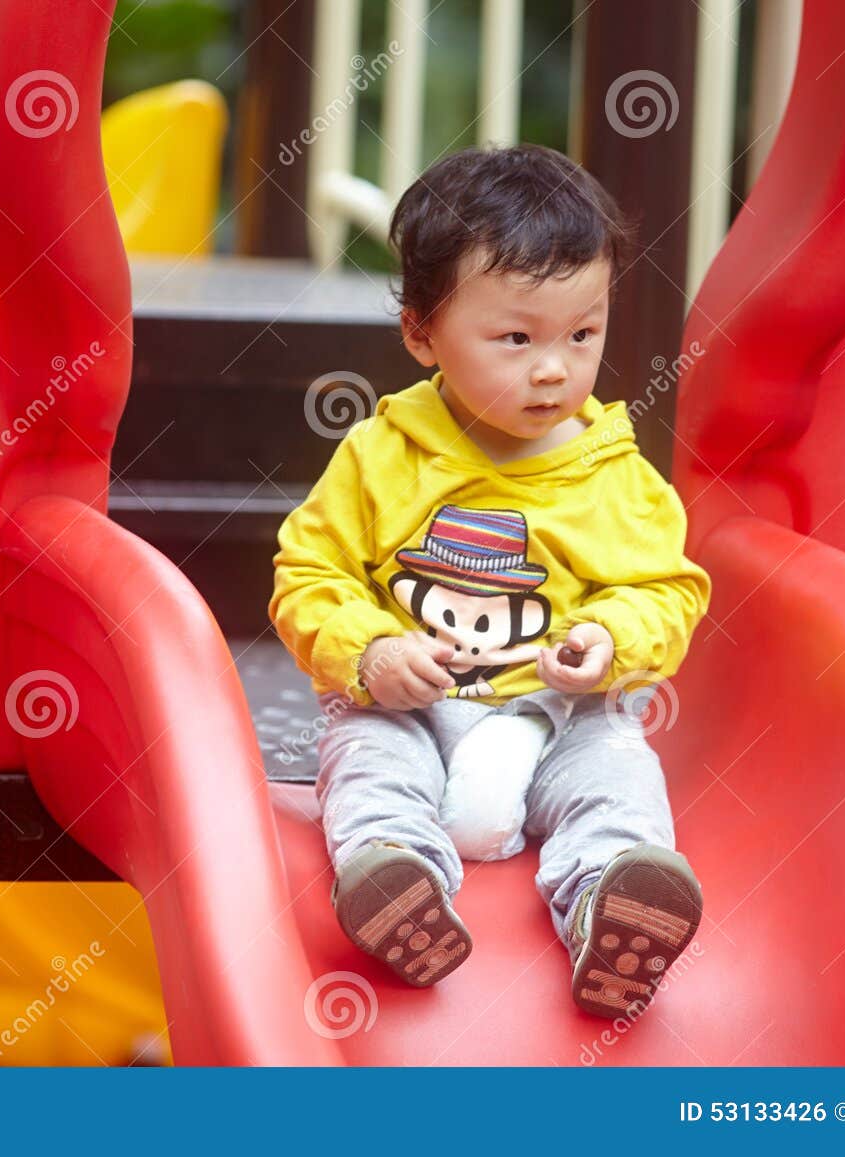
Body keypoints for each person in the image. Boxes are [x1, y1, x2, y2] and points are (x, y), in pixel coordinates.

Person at [269, 144, 711, 1018]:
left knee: (619, 773)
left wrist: (611, 639)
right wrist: (370, 650)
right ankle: (398, 883)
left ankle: (610, 903)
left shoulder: (611, 473)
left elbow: (669, 589)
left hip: (555, 718)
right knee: (365, 758)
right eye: (516, 338)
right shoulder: (382, 455)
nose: (554, 367)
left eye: (583, 334)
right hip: (413, 710)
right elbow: (307, 574)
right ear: (421, 332)